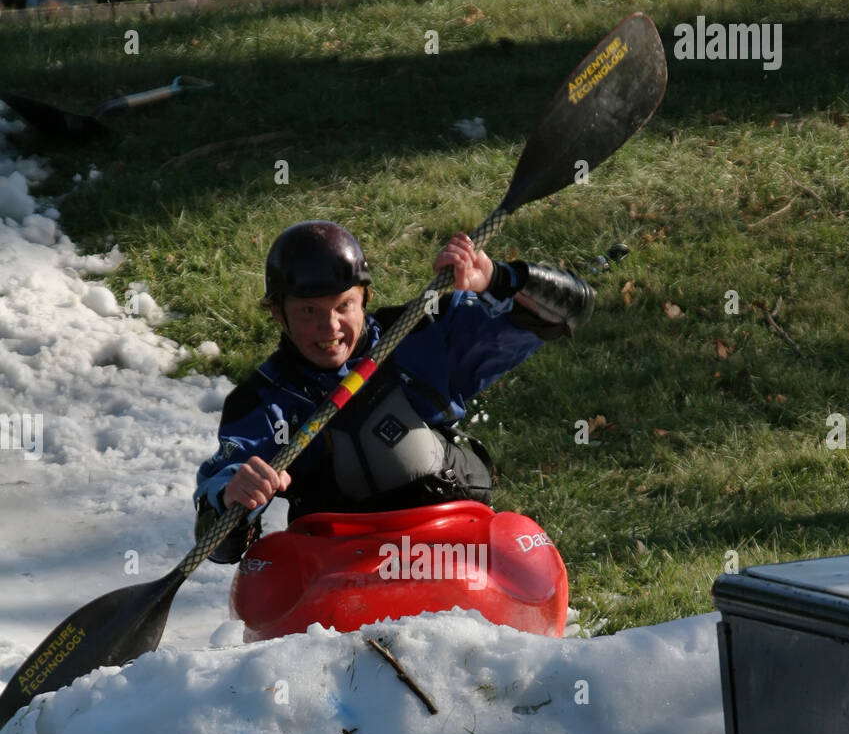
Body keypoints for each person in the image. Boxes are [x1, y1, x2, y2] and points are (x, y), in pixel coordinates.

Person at [194, 220, 595, 563]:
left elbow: (573, 309)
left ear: (364, 299)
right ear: (278, 313)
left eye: (343, 306)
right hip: (343, 563)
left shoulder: (422, 333)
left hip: (449, 546)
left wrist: (496, 279)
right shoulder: (262, 401)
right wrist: (231, 496)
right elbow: (220, 546)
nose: (330, 327)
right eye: (309, 312)